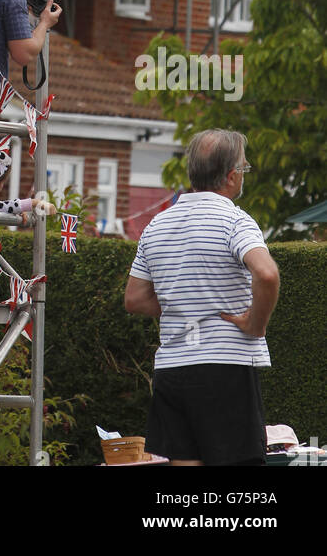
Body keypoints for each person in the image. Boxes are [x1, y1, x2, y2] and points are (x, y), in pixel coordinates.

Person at [124, 129, 280, 467]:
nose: (243, 173)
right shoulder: (236, 221)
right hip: (225, 368)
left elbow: (134, 299)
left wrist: (184, 302)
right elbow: (267, 274)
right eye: (243, 167)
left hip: (172, 369)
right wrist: (255, 324)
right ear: (230, 176)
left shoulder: (156, 225)